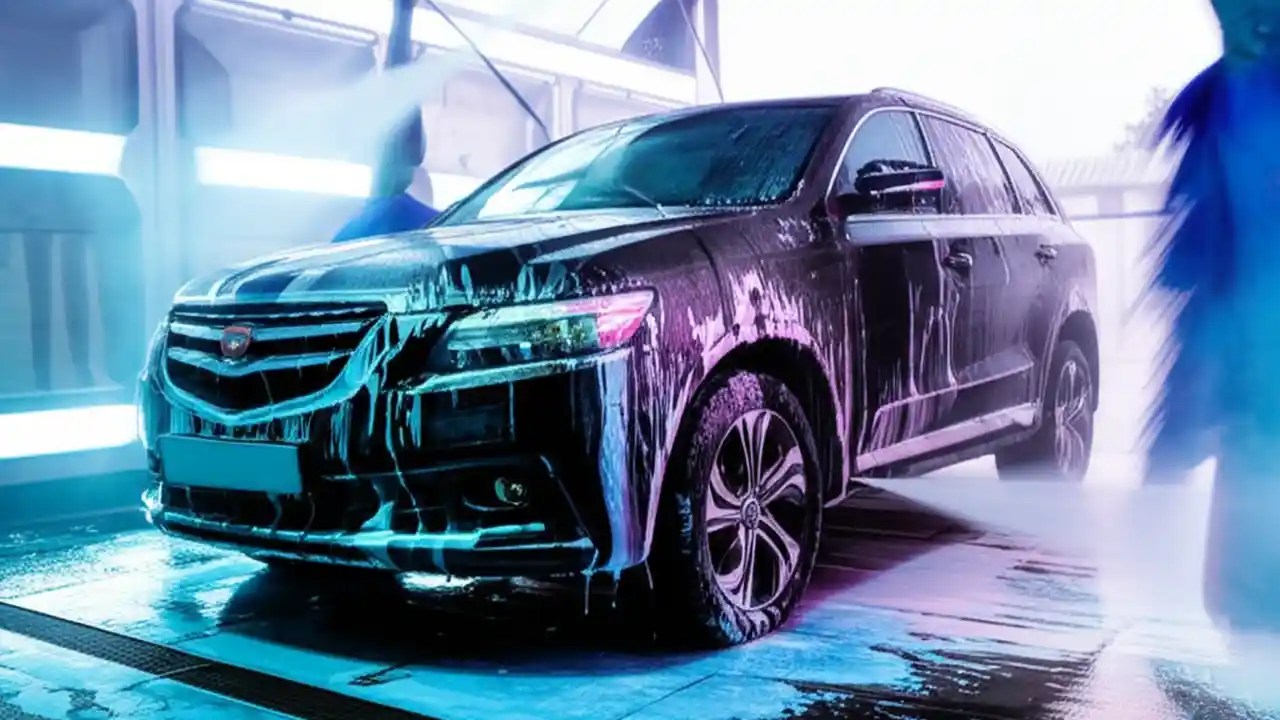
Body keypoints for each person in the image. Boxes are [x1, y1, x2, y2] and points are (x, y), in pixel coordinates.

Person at [1144, 0, 1280, 703]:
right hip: (1256, 423)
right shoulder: (1219, 110)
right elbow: (1200, 279)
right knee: (1249, 603)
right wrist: (1174, 431)